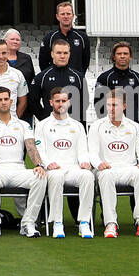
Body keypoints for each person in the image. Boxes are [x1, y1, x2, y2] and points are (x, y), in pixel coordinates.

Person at [0, 87, 47, 238]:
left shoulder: (22, 124)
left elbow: (31, 147)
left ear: (11, 101)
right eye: (0, 100)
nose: (3, 103)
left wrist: (39, 165)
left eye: (6, 99)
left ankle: (28, 223)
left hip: (18, 169)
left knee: (41, 177)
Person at [88, 89, 139, 238]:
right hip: (106, 168)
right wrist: (99, 164)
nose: (111, 108)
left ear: (124, 106)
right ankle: (111, 224)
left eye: (115, 105)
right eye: (109, 104)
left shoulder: (134, 126)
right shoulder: (97, 126)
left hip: (128, 168)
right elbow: (92, 152)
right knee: (106, 175)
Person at [37, 87, 95, 239]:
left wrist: (84, 162)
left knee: (88, 176)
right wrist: (47, 163)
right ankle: (57, 222)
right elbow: (39, 150)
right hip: (53, 169)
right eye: (57, 101)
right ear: (51, 103)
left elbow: (83, 150)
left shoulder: (77, 126)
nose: (60, 104)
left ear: (69, 103)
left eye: (64, 101)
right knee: (56, 177)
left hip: (73, 168)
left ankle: (84, 222)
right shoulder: (42, 125)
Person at [31, 37, 87, 124]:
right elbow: (33, 102)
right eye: (59, 53)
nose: (62, 56)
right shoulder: (41, 77)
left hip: (72, 127)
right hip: (50, 126)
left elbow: (83, 104)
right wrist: (44, 118)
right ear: (52, 54)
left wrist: (80, 125)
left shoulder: (79, 77)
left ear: (69, 54)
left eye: (65, 53)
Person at [95, 41, 139, 125]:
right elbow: (98, 103)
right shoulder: (104, 77)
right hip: (111, 124)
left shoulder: (137, 78)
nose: (122, 56)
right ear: (114, 57)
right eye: (119, 54)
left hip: (132, 123)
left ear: (130, 57)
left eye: (125, 53)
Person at [39, 1, 89, 73]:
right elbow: (43, 63)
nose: (66, 16)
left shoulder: (82, 38)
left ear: (73, 16)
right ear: (57, 16)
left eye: (68, 14)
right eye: (62, 14)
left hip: (75, 81)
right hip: (54, 82)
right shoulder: (49, 38)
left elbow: (85, 62)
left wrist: (78, 76)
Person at [1, 28, 38, 97]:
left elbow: (32, 79)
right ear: (5, 41)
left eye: (17, 40)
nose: (15, 42)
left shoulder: (27, 58)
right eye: (12, 39)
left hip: (24, 98)